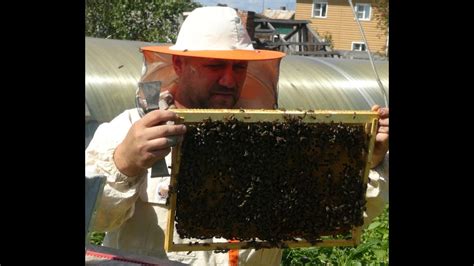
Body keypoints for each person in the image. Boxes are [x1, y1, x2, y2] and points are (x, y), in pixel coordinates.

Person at [86, 6, 389, 266]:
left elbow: (333, 217)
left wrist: (366, 162)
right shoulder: (129, 128)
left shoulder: (272, 137)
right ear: (179, 64)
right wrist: (123, 162)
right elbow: (95, 221)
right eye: (215, 65)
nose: (229, 79)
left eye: (238, 67)